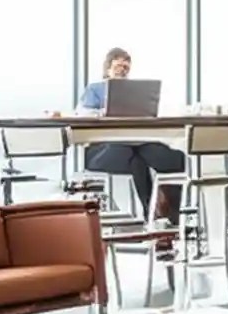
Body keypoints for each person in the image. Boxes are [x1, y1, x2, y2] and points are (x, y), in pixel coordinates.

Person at [76, 48, 185, 223]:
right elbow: (82, 115)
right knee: (134, 155)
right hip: (102, 150)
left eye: (126, 67)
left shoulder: (135, 93)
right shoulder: (95, 89)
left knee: (169, 157)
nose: (122, 70)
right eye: (118, 65)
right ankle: (157, 211)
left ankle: (164, 210)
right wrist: (103, 113)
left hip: (135, 145)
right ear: (108, 67)